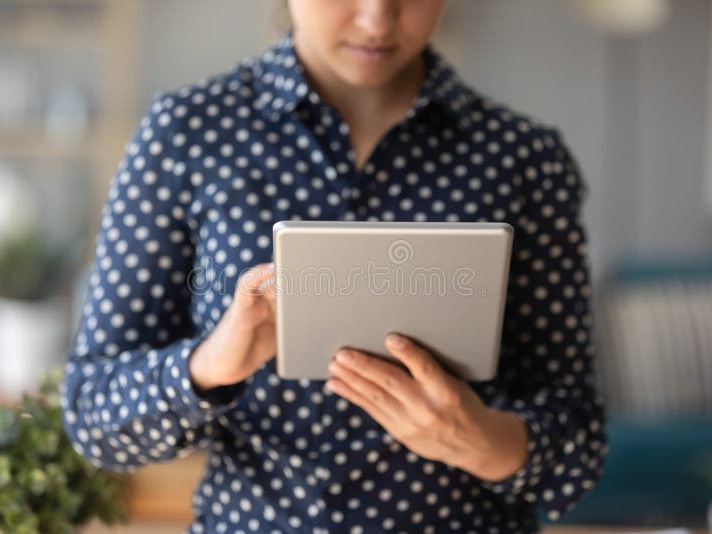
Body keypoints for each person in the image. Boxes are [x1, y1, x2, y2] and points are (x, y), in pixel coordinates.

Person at [60, 1, 608, 532]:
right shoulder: (185, 135)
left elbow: (578, 454)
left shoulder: (524, 159)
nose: (377, 19)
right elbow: (92, 418)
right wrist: (208, 367)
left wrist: (484, 440)